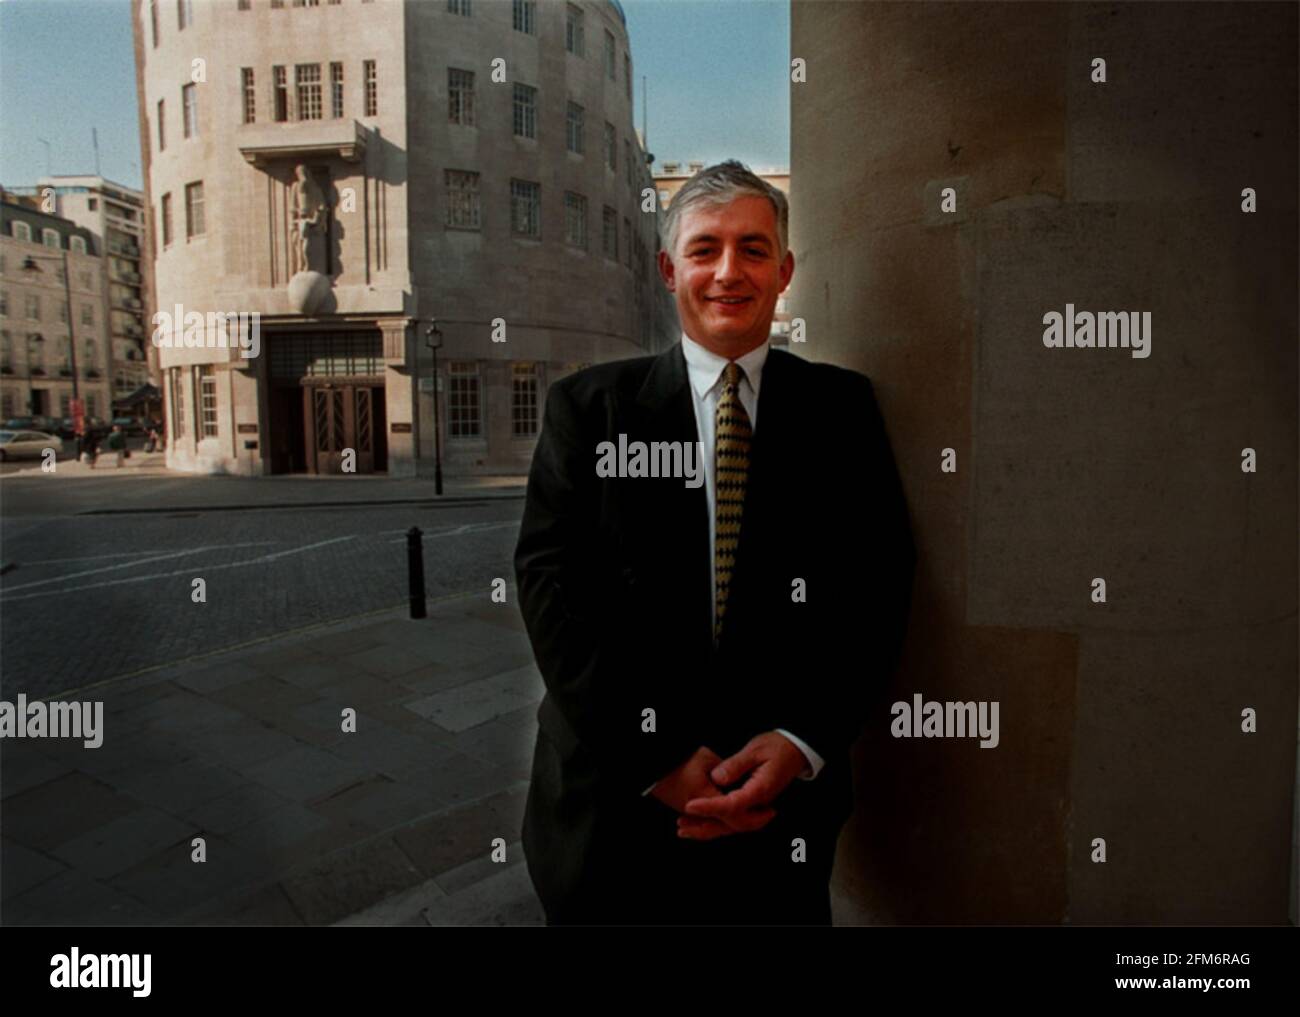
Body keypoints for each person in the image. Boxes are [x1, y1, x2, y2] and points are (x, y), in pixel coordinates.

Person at [514, 160, 916, 926]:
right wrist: (656, 757)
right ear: (670, 268)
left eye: (753, 249)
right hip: (613, 821)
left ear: (785, 270)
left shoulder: (844, 411)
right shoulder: (588, 411)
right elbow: (550, 591)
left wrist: (803, 739)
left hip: (778, 825)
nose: (729, 271)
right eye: (705, 250)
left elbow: (879, 584)